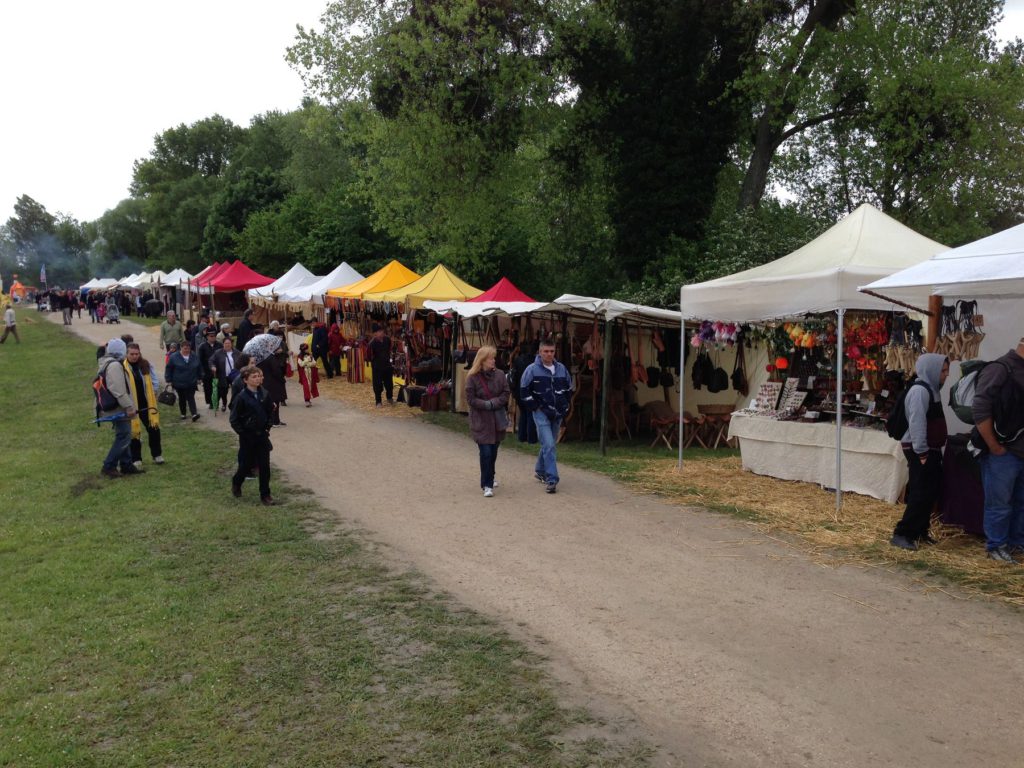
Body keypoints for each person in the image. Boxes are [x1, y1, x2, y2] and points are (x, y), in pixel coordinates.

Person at [890, 353, 950, 551]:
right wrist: (922, 451)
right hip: (920, 450)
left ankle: (920, 531)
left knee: (929, 490)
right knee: (920, 491)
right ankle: (903, 533)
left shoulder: (932, 390)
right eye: (943, 370)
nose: (946, 375)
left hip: (929, 449)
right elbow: (917, 422)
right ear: (931, 370)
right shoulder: (920, 391)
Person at [972, 338, 1024, 563]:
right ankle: (996, 546)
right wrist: (994, 446)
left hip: (1018, 452)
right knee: (1000, 503)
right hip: (1004, 453)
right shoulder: (1000, 368)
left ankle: (1016, 543)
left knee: (1020, 502)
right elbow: (980, 408)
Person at [519, 339, 573, 493]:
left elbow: (569, 388)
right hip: (541, 412)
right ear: (540, 352)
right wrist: (535, 407)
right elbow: (524, 391)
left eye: (552, 351)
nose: (549, 354)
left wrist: (565, 405)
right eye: (546, 351)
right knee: (549, 444)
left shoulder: (562, 369)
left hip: (558, 413)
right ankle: (552, 479)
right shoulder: (531, 370)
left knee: (549, 445)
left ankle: (540, 470)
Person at [465, 345, 510, 497]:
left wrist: (494, 402)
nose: (493, 360)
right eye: (491, 358)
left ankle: (490, 475)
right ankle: (487, 484)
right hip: (480, 421)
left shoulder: (500, 375)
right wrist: (484, 404)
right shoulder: (472, 378)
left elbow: (506, 393)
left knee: (493, 452)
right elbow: (470, 399)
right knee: (485, 453)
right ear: (482, 360)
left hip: (497, 421)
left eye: (493, 357)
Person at [229, 365, 276, 506]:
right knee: (246, 464)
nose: (257, 379)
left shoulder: (265, 394)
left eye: (259, 376)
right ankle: (237, 482)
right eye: (254, 377)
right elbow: (234, 419)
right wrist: (243, 433)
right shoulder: (241, 397)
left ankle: (265, 494)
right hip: (247, 436)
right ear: (245, 380)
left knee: (264, 466)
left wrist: (267, 427)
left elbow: (270, 411)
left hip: (261, 435)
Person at [97, 339, 143, 478]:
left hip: (117, 406)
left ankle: (126, 464)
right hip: (119, 407)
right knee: (123, 436)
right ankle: (109, 466)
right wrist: (129, 406)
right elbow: (118, 389)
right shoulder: (115, 365)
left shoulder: (107, 362)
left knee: (124, 435)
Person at [124, 342, 164, 468]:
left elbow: (154, 380)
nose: (134, 356)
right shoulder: (123, 367)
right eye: (132, 354)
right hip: (132, 405)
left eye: (137, 354)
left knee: (154, 429)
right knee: (134, 432)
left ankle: (157, 454)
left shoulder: (145, 364)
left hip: (147, 403)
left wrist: (155, 391)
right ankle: (136, 458)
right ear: (127, 354)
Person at [164, 340, 203, 421]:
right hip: (179, 382)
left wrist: (200, 377)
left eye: (188, 349)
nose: (187, 350)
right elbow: (168, 369)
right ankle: (183, 414)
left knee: (191, 397)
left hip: (191, 381)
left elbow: (199, 367)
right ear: (181, 348)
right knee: (182, 398)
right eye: (185, 348)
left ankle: (194, 414)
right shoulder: (174, 357)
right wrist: (169, 380)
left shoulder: (194, 356)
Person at [211, 336, 244, 412]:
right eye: (225, 343)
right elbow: (211, 360)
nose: (227, 345)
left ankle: (233, 405)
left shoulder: (237, 352)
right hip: (223, 375)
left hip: (234, 375)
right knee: (223, 390)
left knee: (235, 390)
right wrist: (213, 366)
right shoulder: (218, 352)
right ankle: (224, 404)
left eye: (229, 343)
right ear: (223, 344)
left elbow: (242, 361)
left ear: (231, 344)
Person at [368, 324, 394, 407]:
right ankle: (378, 401)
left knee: (389, 383)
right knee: (377, 384)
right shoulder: (372, 343)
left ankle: (389, 398)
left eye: (382, 331)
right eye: (379, 331)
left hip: (387, 365)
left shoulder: (387, 340)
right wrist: (374, 362)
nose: (382, 332)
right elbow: (369, 356)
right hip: (377, 366)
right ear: (375, 334)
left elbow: (390, 349)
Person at [196, 326, 222, 410]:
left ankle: (216, 402)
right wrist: (201, 372)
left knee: (218, 387)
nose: (213, 337)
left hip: (217, 370)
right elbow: (199, 360)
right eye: (211, 336)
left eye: (214, 335)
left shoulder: (219, 345)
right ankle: (210, 402)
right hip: (206, 371)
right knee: (208, 388)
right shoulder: (202, 347)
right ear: (207, 337)